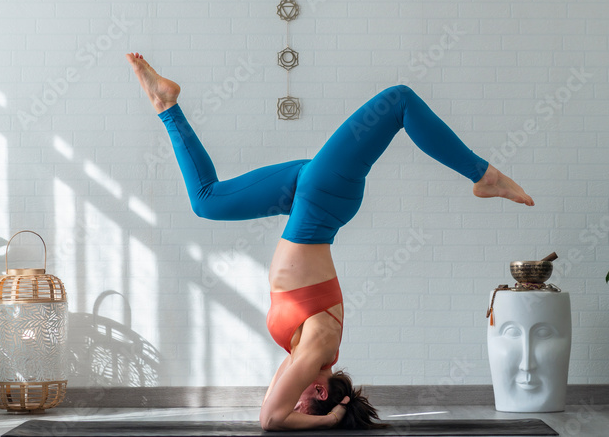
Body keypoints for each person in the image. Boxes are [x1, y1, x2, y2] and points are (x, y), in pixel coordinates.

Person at [126, 53, 534, 430]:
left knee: (207, 202)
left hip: (308, 196)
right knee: (399, 100)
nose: (295, 407)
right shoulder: (317, 348)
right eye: (304, 404)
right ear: (320, 390)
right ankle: (484, 176)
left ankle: (166, 103)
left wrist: (326, 411)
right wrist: (327, 421)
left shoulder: (307, 357)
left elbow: (271, 405)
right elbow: (271, 419)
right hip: (321, 200)